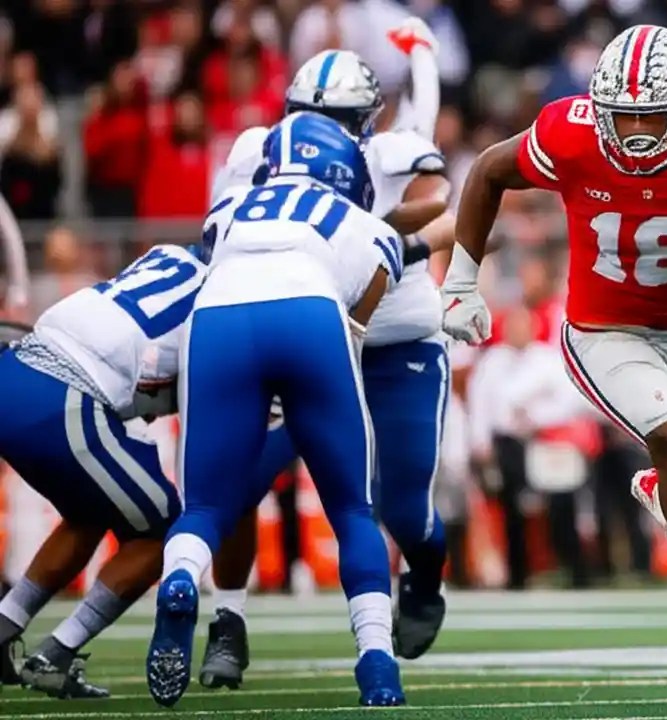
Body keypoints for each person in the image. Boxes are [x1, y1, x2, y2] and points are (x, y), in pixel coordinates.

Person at [443, 24, 667, 652]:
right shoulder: (571, 132)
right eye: (624, 117)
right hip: (601, 329)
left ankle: (659, 493)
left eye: (654, 117)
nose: (636, 132)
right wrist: (461, 280)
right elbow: (486, 172)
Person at [200, 21, 454, 690]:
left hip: (392, 344)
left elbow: (442, 207)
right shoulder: (256, 151)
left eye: (335, 119)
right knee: (238, 481)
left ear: (364, 122)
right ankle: (227, 620)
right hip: (308, 334)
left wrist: (377, 230)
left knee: (401, 510)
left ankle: (423, 572)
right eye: (310, 117)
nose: (321, 131)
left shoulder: (395, 151)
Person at [145, 112, 405, 708]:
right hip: (309, 315)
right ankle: (377, 667)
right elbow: (383, 262)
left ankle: (181, 578)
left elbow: (210, 249)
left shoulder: (234, 203)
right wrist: (355, 328)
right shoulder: (354, 214)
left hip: (220, 317)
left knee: (206, 504)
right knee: (352, 510)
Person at [0, 245, 197, 698]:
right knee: (163, 529)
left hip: (17, 368)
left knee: (91, 510)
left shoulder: (168, 255)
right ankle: (57, 652)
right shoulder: (225, 298)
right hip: (63, 397)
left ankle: (6, 625)